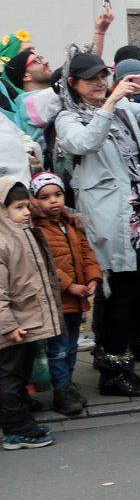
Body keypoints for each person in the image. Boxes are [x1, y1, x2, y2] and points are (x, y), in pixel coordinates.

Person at [34, 53, 140, 396]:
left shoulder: (122, 107)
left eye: (103, 76)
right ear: (73, 84)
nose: (100, 83)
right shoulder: (67, 118)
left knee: (138, 290)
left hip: (139, 216)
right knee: (117, 295)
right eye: (91, 79)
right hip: (108, 217)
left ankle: (123, 363)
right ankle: (112, 373)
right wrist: (111, 102)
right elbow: (85, 142)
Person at [30, 173, 101, 418]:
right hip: (56, 300)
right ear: (35, 201)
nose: (53, 200)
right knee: (58, 348)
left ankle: (68, 385)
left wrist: (92, 278)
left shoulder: (71, 224)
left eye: (57, 194)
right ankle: (61, 390)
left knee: (71, 346)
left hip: (75, 299)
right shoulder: (36, 228)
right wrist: (69, 285)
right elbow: (43, 263)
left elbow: (86, 252)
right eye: (45, 197)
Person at [0, 177, 61, 449]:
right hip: (11, 325)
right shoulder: (4, 240)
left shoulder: (21, 233)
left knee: (19, 375)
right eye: (19, 207)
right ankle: (16, 431)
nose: (26, 212)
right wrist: (6, 326)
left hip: (23, 320)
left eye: (27, 206)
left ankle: (19, 418)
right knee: (9, 377)